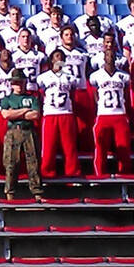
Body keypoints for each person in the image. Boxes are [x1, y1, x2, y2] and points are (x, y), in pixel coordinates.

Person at [0, 68, 44, 201]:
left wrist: (16, 112)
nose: (19, 85)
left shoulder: (32, 98)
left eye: (21, 82)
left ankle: (37, 193)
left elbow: (35, 115)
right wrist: (25, 111)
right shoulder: (7, 99)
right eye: (16, 82)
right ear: (12, 84)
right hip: (13, 132)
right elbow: (6, 114)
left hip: (28, 131)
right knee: (11, 162)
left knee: (33, 162)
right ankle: (10, 193)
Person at [89, 45, 134, 176]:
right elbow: (95, 96)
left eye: (112, 55)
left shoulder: (123, 76)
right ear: (103, 58)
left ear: (116, 58)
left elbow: (127, 95)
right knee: (100, 147)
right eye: (107, 55)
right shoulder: (95, 76)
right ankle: (99, 175)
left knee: (124, 147)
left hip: (120, 114)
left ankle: (125, 175)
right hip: (103, 115)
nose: (110, 58)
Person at [37, 50, 80, 178]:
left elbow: (72, 95)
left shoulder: (70, 78)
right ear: (51, 60)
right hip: (50, 114)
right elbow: (40, 95)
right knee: (49, 145)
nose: (59, 59)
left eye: (61, 57)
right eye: (56, 56)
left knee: (69, 145)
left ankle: (72, 172)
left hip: (66, 113)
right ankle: (47, 172)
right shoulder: (43, 77)